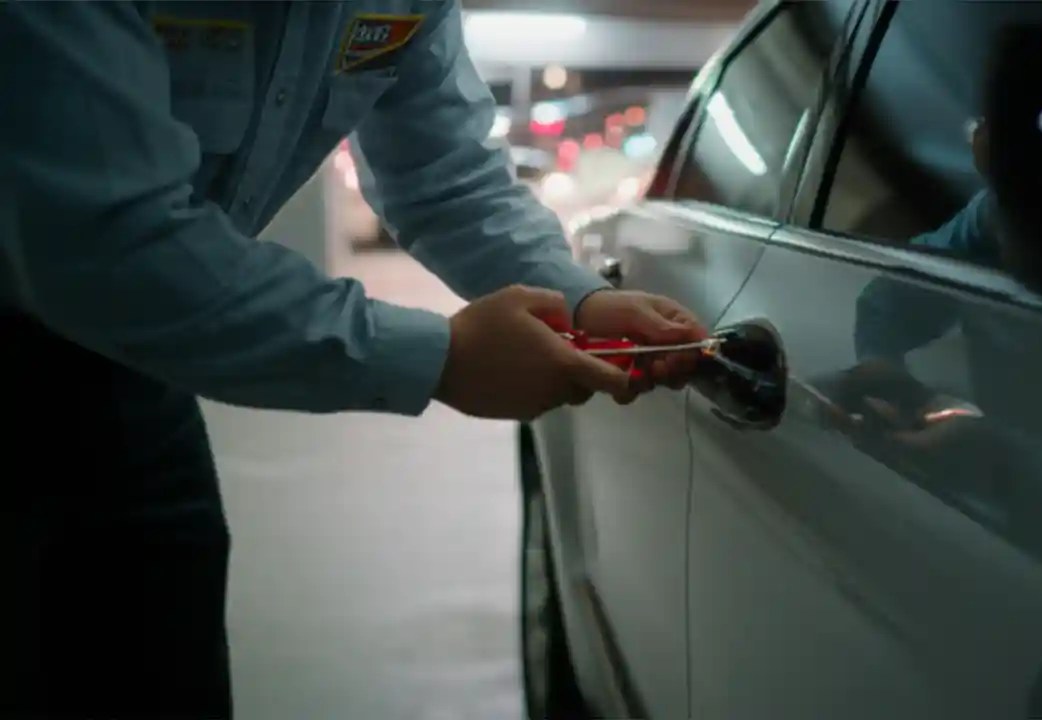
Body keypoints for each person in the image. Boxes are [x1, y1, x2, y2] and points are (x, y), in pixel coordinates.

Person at [0, 3, 706, 717]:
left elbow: (446, 176)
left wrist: (577, 300)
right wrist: (442, 357)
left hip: (132, 376)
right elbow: (106, 243)